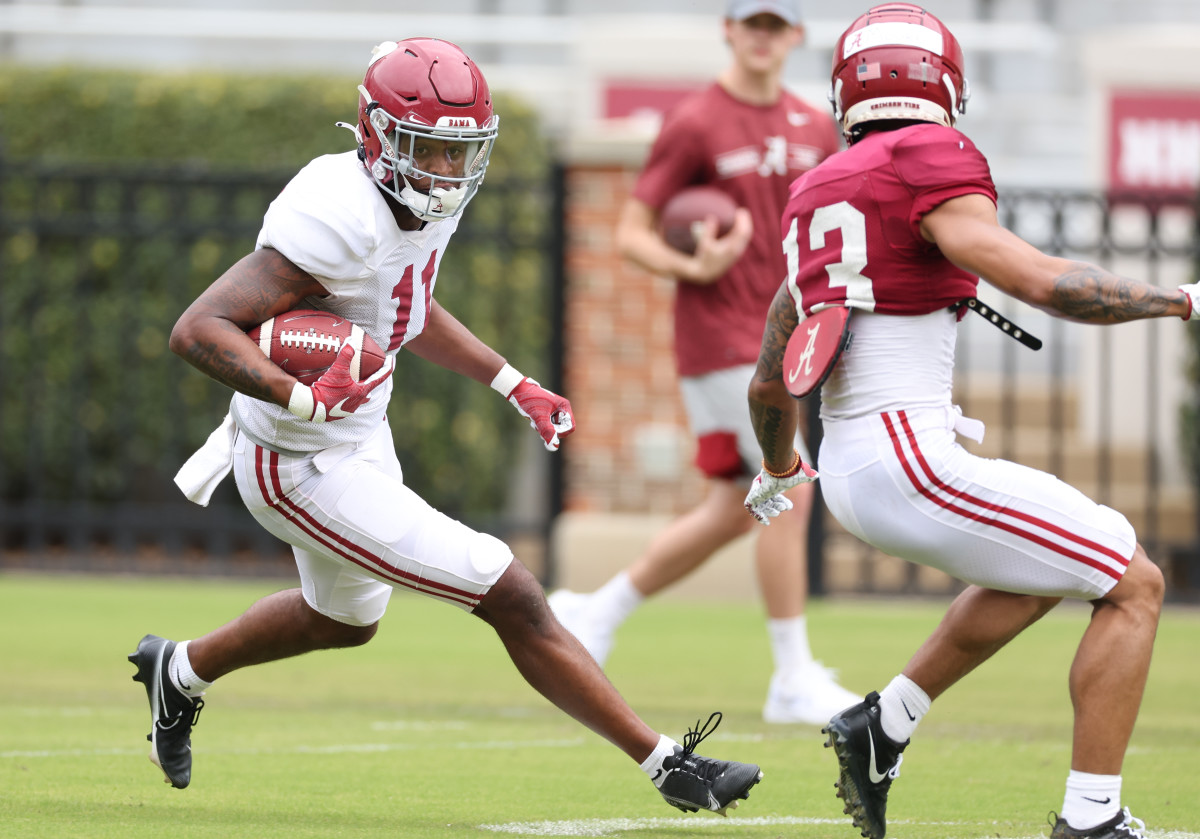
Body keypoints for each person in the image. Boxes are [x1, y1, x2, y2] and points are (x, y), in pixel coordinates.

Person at [127, 37, 766, 818]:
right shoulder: (337, 212)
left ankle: (180, 671)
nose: (443, 168)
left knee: (343, 618)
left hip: (357, 435)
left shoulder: (421, 205)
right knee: (511, 589)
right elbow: (198, 329)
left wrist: (510, 380)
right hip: (297, 461)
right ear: (376, 136)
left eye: (459, 150)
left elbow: (405, 306)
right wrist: (300, 399)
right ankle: (669, 764)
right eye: (425, 147)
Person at [744, 4, 1193, 838]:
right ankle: (1092, 818)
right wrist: (1183, 299)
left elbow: (770, 384)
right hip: (912, 461)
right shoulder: (929, 155)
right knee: (1135, 582)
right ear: (944, 84)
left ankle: (884, 723)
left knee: (1049, 561)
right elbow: (1045, 283)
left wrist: (778, 475)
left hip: (847, 470)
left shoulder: (816, 190)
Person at [547, 0, 859, 726]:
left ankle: (598, 611)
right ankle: (791, 677)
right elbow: (631, 233)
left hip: (789, 335)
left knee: (733, 508)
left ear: (796, 35)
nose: (762, 35)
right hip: (721, 334)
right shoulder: (696, 121)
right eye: (750, 21)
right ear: (728, 29)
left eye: (776, 24)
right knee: (790, 485)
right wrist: (692, 262)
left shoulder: (817, 125)